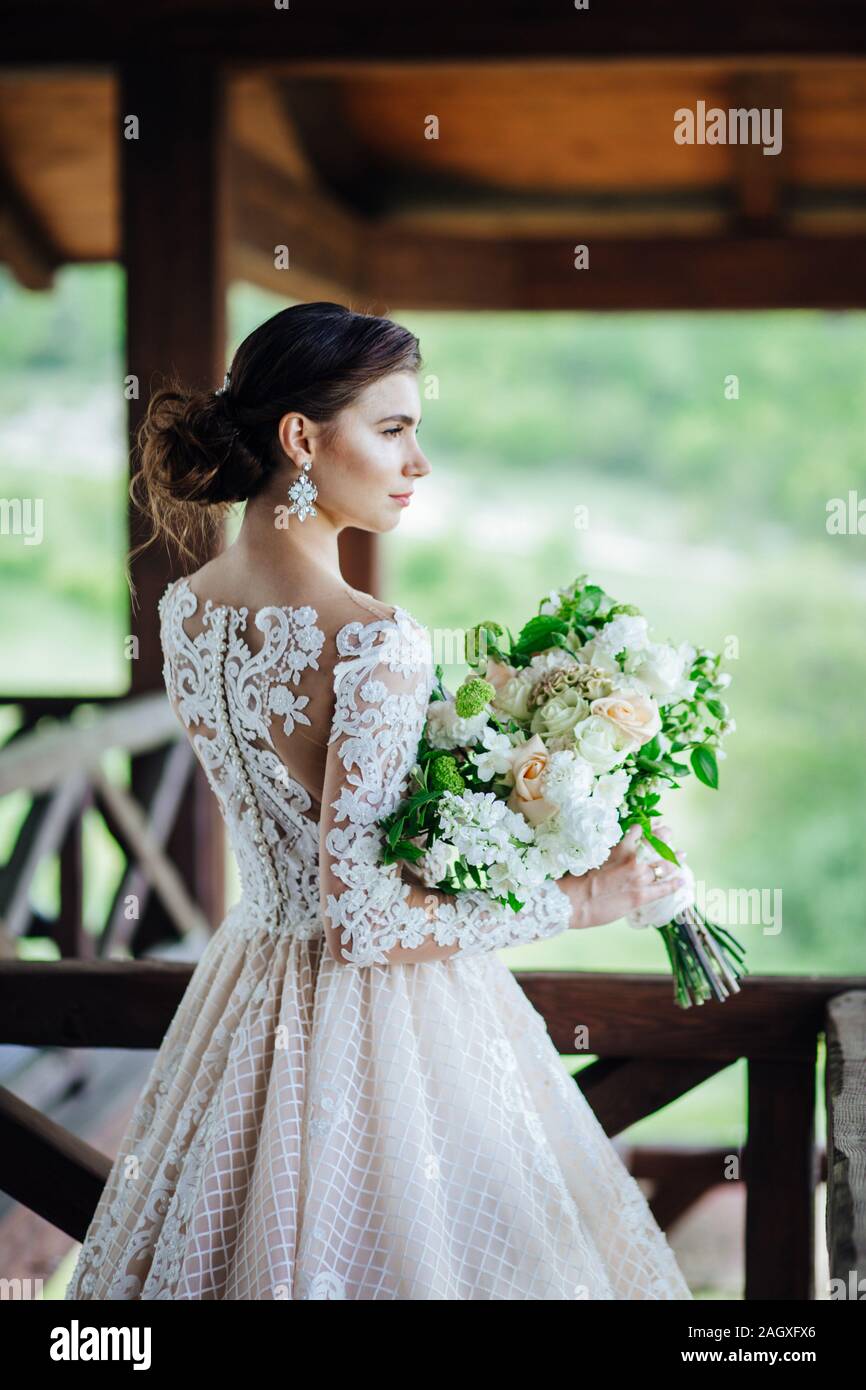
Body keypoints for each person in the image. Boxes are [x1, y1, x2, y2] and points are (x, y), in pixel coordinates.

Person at [66, 301, 692, 1300]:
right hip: (385, 1028)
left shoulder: (188, 608)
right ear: (301, 439)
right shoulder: (369, 639)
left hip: (247, 987)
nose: (417, 462)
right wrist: (582, 900)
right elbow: (362, 918)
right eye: (393, 428)